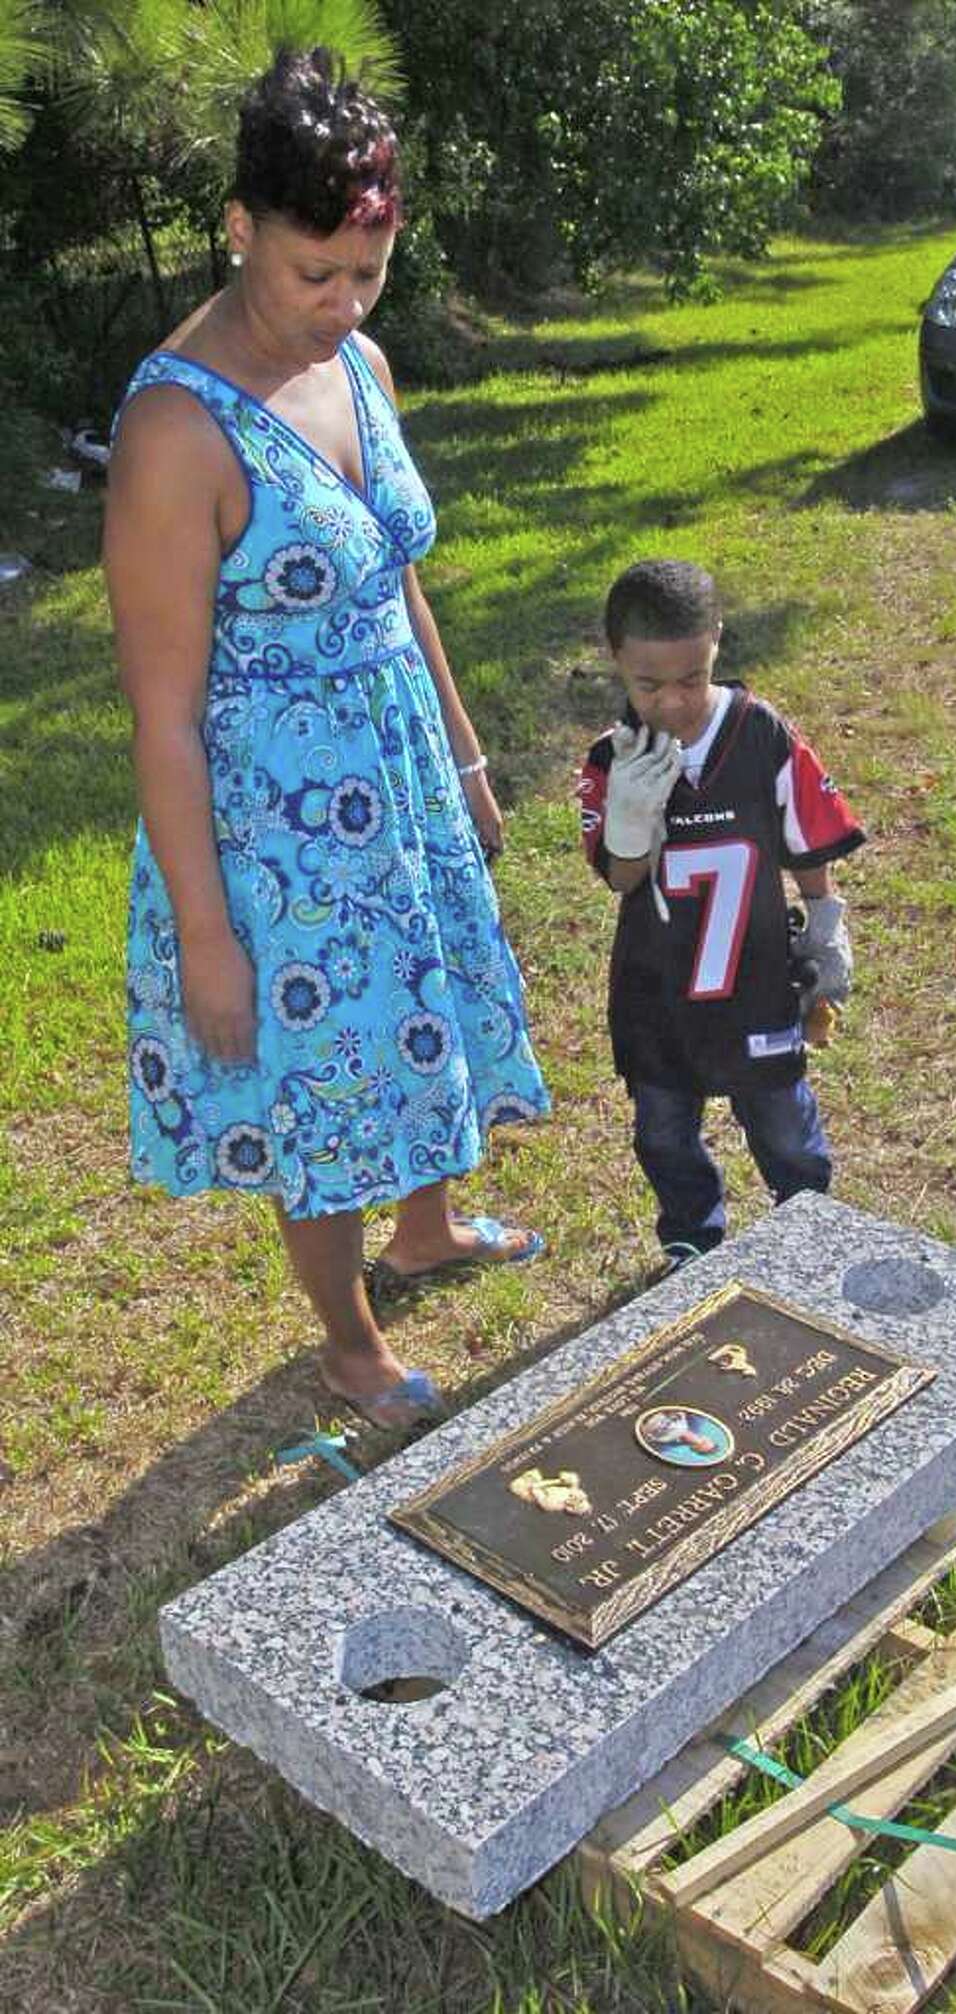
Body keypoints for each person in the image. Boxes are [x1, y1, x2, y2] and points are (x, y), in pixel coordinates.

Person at [104, 48, 549, 1428]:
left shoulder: (361, 365)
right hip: (276, 833)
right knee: (328, 1074)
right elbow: (162, 713)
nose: (344, 306)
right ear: (240, 230)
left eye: (370, 273)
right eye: (316, 275)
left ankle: (427, 1227)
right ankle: (351, 1344)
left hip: (397, 769)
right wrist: (211, 932)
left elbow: (393, 574)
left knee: (417, 1012)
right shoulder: (179, 429)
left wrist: (465, 751)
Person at [577, 560, 864, 1269]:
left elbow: (807, 836)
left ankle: (808, 1227)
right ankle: (691, 1238)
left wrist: (824, 915)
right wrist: (630, 826)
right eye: (648, 685)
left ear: (716, 644)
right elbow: (620, 881)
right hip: (658, 988)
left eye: (690, 679)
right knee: (664, 1131)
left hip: (756, 977)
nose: (673, 702)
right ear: (616, 660)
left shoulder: (763, 735)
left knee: (785, 1126)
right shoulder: (613, 760)